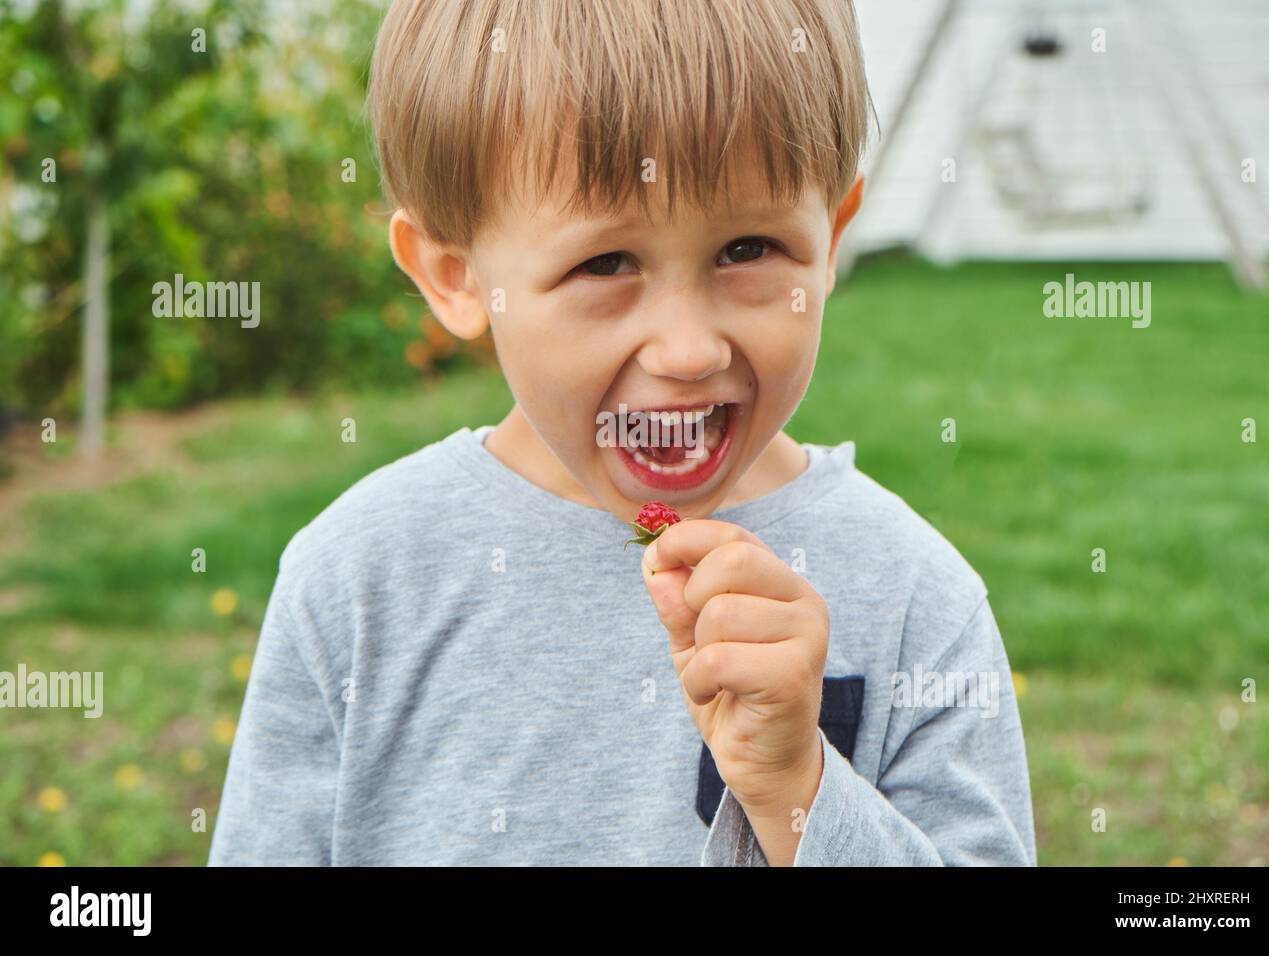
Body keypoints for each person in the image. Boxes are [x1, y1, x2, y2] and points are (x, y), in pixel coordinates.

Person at [208, 0, 1036, 866]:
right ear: (456, 277)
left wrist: (798, 790)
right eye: (604, 263)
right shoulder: (358, 582)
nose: (687, 349)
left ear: (829, 241)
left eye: (748, 249)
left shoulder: (915, 600)